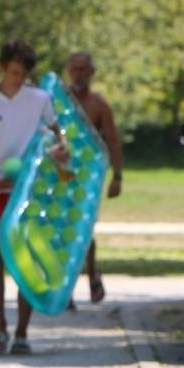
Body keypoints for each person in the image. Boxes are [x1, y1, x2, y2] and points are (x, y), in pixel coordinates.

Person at [0, 39, 62, 355]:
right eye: (13, 72)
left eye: (23, 74)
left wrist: (57, 152)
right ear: (2, 67)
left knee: (25, 259)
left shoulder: (40, 99)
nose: (18, 79)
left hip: (29, 192)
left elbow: (57, 135)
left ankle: (22, 332)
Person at [64, 51, 124, 305]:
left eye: (83, 70)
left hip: (88, 176)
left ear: (92, 72)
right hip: (60, 174)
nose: (79, 74)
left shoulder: (99, 105)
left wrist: (117, 176)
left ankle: (91, 274)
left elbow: (113, 140)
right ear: (69, 71)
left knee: (84, 228)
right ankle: (65, 284)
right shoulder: (58, 102)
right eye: (75, 69)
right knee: (64, 229)